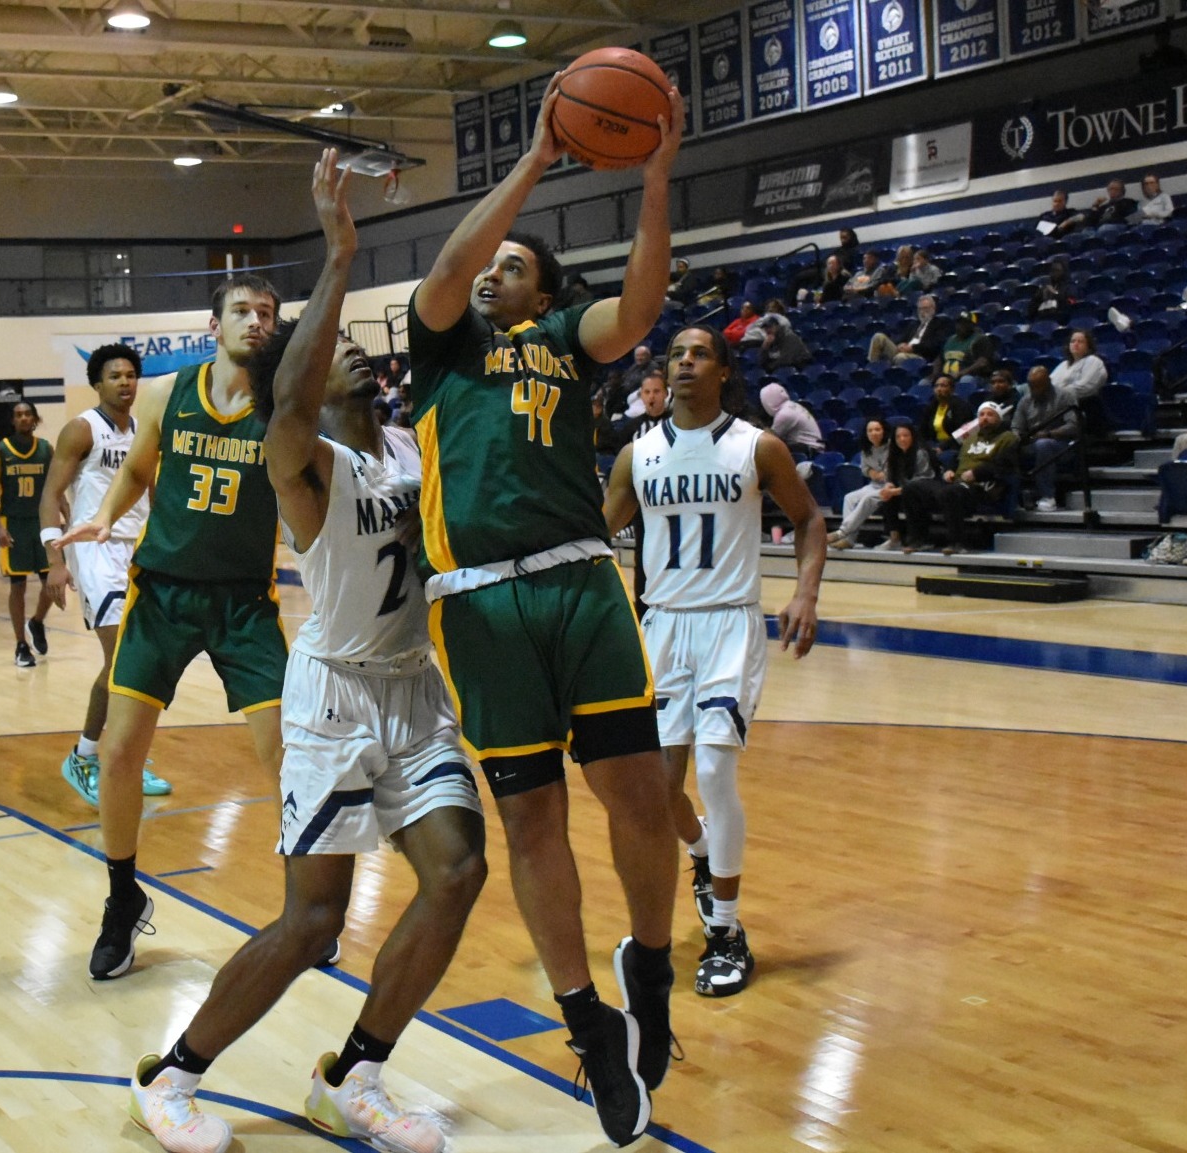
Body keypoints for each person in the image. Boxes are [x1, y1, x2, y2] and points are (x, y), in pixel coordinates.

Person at [128, 151, 486, 1153]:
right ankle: (170, 1075)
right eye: (334, 352)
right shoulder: (305, 463)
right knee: (312, 923)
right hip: (332, 697)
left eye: (358, 348)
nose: (356, 357)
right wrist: (337, 254)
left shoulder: (411, 448)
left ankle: (352, 1075)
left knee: (457, 872)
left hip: (414, 692)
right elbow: (286, 404)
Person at [406, 71, 684, 1148]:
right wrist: (532, 159)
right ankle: (586, 1022)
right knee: (532, 820)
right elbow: (446, 269)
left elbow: (642, 309)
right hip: (478, 606)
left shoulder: (567, 338)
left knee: (640, 797)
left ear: (544, 288)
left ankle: (648, 968)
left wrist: (655, 177)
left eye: (512, 264)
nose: (491, 272)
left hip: (578, 582)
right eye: (491, 262)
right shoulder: (442, 347)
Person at [57, 270, 286, 983]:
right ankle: (122, 899)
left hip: (244, 601)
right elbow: (137, 470)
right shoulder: (167, 393)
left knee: (288, 754)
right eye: (242, 310)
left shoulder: (284, 403)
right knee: (119, 751)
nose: (255, 321)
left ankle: (309, 906)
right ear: (214, 325)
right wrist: (105, 516)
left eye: (267, 313)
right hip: (162, 592)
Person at [603, 324, 823, 1000]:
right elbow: (593, 533)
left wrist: (805, 593)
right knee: (658, 787)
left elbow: (809, 520)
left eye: (700, 353)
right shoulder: (636, 455)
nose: (685, 362)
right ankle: (701, 854)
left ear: (724, 370)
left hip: (729, 621)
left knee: (715, 769)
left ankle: (726, 932)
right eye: (677, 354)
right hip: (662, 626)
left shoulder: (756, 446)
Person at [40, 344, 171, 805]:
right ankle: (83, 756)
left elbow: (152, 493)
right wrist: (55, 561)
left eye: (131, 375)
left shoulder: (143, 429)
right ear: (97, 384)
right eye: (115, 376)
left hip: (139, 550)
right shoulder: (81, 429)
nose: (125, 382)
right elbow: (50, 494)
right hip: (95, 550)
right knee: (120, 661)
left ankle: (124, 758)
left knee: (146, 664)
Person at [900, 402, 1019, 554]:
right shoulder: (971, 438)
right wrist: (949, 470)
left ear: (999, 419)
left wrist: (977, 473)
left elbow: (1005, 465)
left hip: (982, 488)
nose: (985, 418)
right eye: (982, 414)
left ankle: (958, 543)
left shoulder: (1008, 438)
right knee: (912, 488)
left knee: (951, 492)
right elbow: (957, 458)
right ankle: (919, 540)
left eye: (990, 415)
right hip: (958, 484)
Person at [0, 403, 55, 666]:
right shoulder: (1, 450)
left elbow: (55, 486)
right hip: (14, 524)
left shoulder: (46, 449)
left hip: (42, 523)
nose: (24, 418)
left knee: (52, 583)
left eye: (28, 414)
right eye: (18, 415)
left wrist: (67, 515)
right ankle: (21, 645)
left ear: (35, 418)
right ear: (13, 421)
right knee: (18, 585)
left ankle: (37, 622)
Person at [1013, 367, 1081, 512]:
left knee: (1043, 444)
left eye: (1039, 385)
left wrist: (1050, 434)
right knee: (1007, 444)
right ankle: (1014, 496)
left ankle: (1048, 496)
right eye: (1032, 385)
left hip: (1062, 445)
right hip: (1032, 443)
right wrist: (1016, 437)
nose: (1035, 389)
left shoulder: (1065, 396)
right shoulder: (1025, 401)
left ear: (1048, 382)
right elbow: (1016, 427)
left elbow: (1074, 425)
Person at [829, 418, 890, 548]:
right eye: (870, 430)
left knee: (868, 498)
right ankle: (849, 540)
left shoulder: (893, 447)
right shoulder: (866, 449)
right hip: (874, 484)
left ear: (884, 431)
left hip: (890, 485)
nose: (873, 433)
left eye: (877, 429)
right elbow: (864, 469)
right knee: (849, 498)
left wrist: (885, 475)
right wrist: (871, 473)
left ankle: (842, 532)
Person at [874, 422, 935, 550]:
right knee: (887, 497)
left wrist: (895, 491)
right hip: (904, 491)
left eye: (906, 435)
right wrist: (888, 486)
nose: (902, 439)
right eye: (898, 436)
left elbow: (921, 481)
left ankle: (919, 539)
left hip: (924, 492)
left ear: (912, 436)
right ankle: (894, 538)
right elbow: (890, 477)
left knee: (909, 495)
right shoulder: (894, 454)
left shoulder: (920, 453)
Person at [867, 294, 946, 367]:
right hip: (904, 351)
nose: (922, 312)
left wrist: (912, 348)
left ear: (933, 308)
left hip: (920, 355)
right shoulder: (914, 324)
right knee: (878, 337)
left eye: (925, 308)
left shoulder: (940, 323)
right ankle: (873, 368)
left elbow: (934, 345)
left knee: (900, 357)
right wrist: (900, 345)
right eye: (920, 309)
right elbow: (902, 339)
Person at [757, 382, 824, 463]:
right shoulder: (791, 406)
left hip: (810, 450)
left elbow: (771, 438)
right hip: (813, 447)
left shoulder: (784, 414)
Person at [1051, 328, 1109, 401]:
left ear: (1088, 346)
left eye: (1080, 342)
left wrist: (1059, 393)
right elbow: (1050, 382)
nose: (1076, 344)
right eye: (1073, 341)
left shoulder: (1093, 361)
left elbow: (1086, 387)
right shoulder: (1063, 364)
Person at [917, 375, 967, 454]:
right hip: (934, 444)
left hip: (954, 447)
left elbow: (962, 433)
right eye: (936, 386)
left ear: (952, 389)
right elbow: (922, 431)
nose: (939, 389)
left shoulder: (960, 406)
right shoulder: (932, 406)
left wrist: (942, 447)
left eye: (943, 386)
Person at [1027, 256, 1077, 322]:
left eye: (1057, 270)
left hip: (1062, 321)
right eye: (1052, 270)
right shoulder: (1045, 288)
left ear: (1064, 272)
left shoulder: (1070, 286)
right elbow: (1031, 310)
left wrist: (1055, 294)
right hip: (1043, 321)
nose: (1054, 273)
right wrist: (1039, 297)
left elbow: (1072, 303)